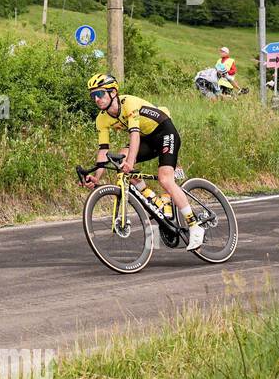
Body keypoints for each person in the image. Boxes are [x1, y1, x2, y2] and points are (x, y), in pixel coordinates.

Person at [80, 73, 203, 251]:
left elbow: (134, 135)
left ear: (113, 92)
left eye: (100, 94)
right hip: (148, 140)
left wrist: (130, 162)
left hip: (164, 132)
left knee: (165, 179)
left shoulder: (128, 103)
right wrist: (97, 177)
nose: (97, 99)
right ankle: (155, 199)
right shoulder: (102, 118)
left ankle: (195, 226)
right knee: (119, 159)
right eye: (93, 96)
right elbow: (103, 150)